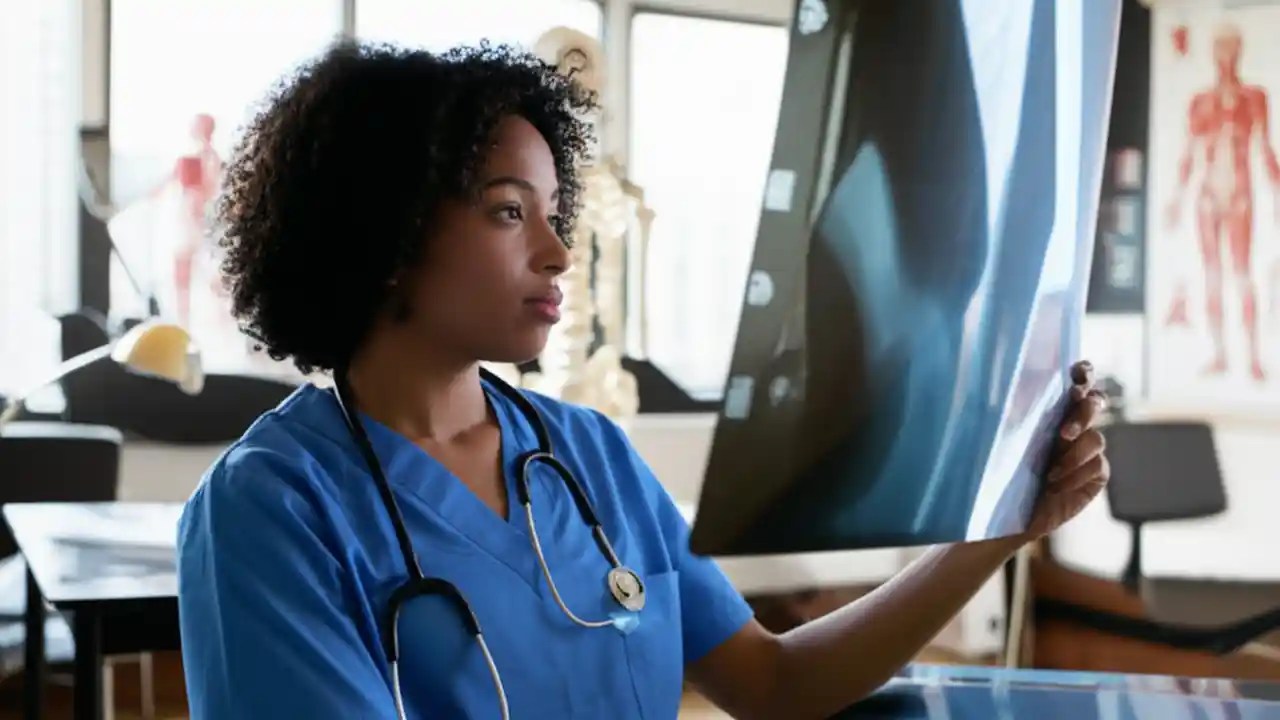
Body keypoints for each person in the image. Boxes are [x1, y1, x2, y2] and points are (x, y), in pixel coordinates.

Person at [176, 41, 1111, 719]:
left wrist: (997, 535)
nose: (554, 252)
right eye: (509, 213)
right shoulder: (269, 508)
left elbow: (774, 684)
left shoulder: (586, 455)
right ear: (385, 235)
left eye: (554, 212)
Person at [1164, 23, 1280, 381]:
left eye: (1231, 49)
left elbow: (1265, 149)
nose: (1226, 57)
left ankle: (1253, 357)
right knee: (1213, 276)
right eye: (1220, 49)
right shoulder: (1201, 102)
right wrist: (1178, 199)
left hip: (1240, 196)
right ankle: (1220, 355)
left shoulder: (1254, 98)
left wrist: (1277, 195)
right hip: (1209, 197)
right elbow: (1190, 153)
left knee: (1243, 275)